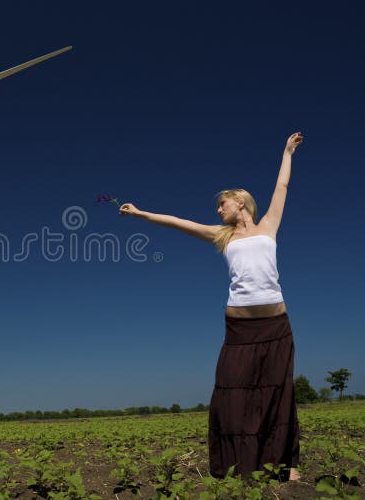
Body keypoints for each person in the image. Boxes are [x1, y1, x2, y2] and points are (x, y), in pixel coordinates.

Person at [119, 132, 304, 481]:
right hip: (239, 329)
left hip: (277, 325)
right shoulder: (222, 236)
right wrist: (141, 214)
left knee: (280, 390)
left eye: (223, 204)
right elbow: (177, 222)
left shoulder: (268, 226)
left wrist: (287, 152)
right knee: (231, 390)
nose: (218, 209)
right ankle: (239, 465)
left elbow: (281, 187)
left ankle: (285, 465)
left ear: (241, 203)